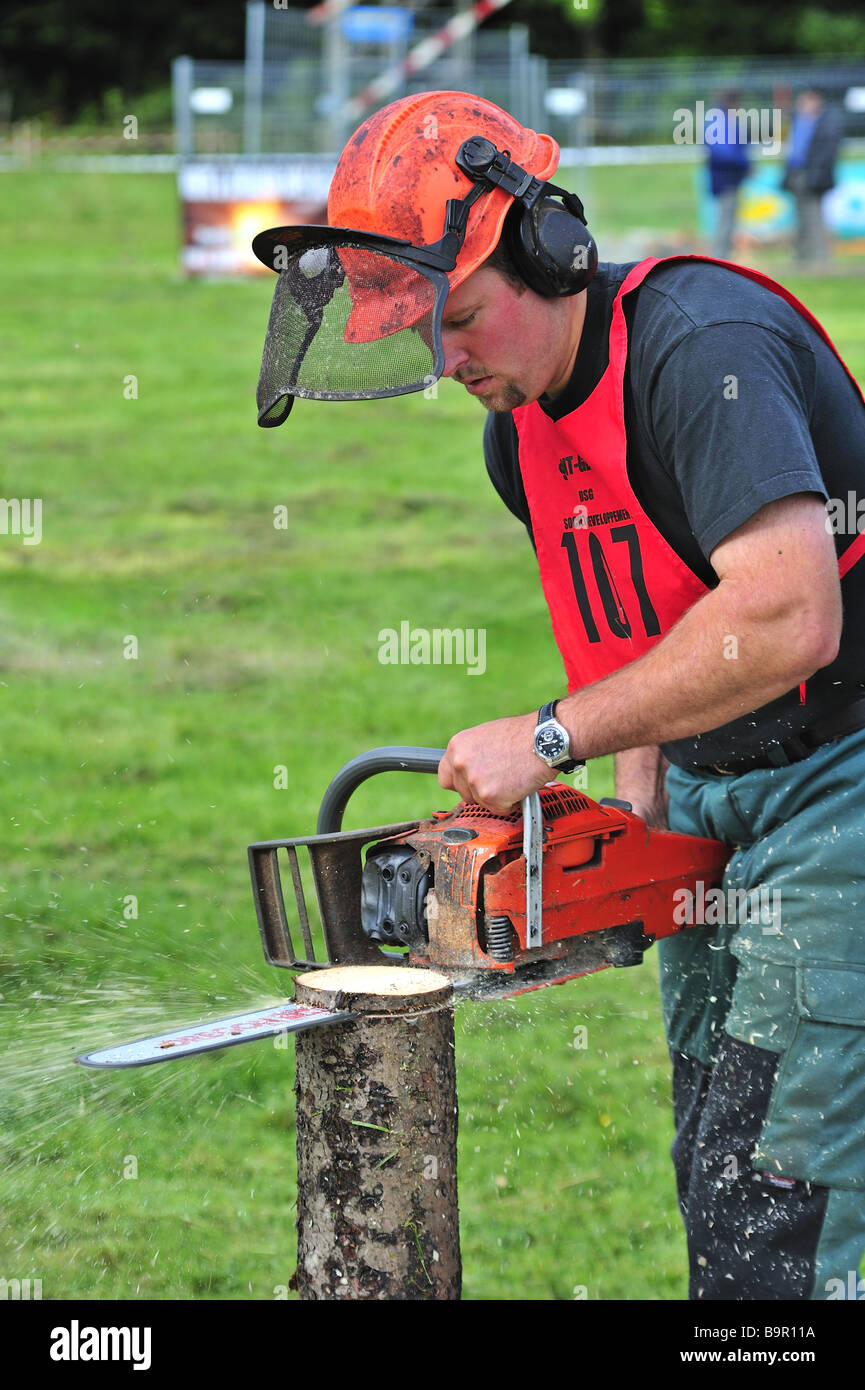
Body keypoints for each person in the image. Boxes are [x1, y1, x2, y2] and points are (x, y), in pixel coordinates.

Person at [253, 91, 865, 1301]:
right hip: (715, 782)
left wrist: (547, 742)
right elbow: (624, 643)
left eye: (465, 319)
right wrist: (621, 843)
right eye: (431, 335)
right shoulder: (521, 429)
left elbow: (790, 612)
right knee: (716, 1152)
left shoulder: (702, 352)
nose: (454, 359)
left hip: (843, 768)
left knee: (791, 1201)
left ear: (552, 251)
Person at [782, 87, 844, 263]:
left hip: (813, 177)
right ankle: (802, 256)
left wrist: (816, 175)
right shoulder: (798, 119)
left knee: (814, 217)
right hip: (796, 174)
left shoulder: (827, 122)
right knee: (801, 217)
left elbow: (827, 153)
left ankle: (820, 258)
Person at [706, 90, 750, 259]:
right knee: (725, 221)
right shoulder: (720, 120)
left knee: (727, 220)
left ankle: (722, 257)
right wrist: (744, 163)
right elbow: (724, 151)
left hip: (727, 177)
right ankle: (720, 258)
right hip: (725, 178)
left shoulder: (722, 118)